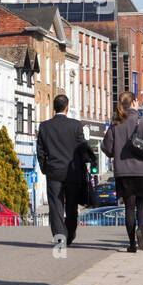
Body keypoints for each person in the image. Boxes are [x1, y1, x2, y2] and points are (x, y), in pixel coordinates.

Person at [101, 91, 143, 253]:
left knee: (129, 208)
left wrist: (115, 152)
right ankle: (141, 230)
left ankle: (131, 244)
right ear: (134, 103)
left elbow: (106, 148)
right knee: (142, 205)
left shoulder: (115, 125)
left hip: (123, 172)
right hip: (142, 171)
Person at [36, 94, 96, 251]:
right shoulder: (76, 125)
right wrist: (86, 164)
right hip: (72, 172)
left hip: (54, 172)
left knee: (55, 206)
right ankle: (70, 235)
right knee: (71, 206)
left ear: (54, 107)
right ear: (67, 107)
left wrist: (45, 168)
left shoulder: (44, 126)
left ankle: (60, 236)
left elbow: (40, 151)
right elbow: (82, 148)